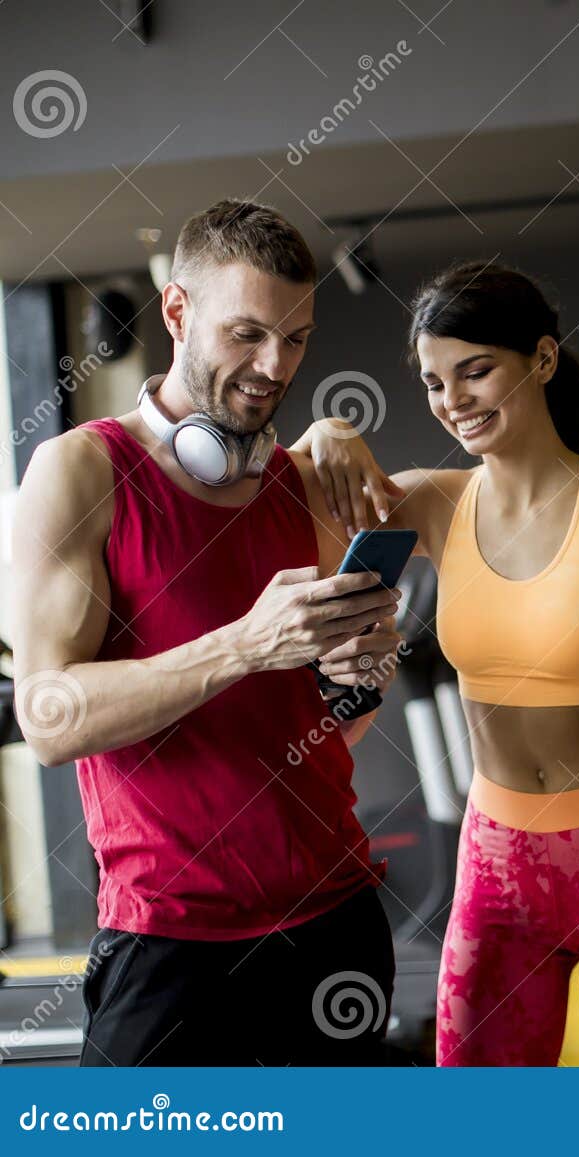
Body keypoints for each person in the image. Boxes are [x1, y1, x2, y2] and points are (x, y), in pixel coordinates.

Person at [295, 261, 579, 1066]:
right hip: (497, 858)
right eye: (433, 381)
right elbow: (279, 503)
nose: (454, 399)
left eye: (476, 370)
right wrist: (327, 434)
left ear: (544, 359)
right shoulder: (431, 502)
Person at [10, 199, 403, 1066]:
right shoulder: (81, 470)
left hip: (334, 923)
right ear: (179, 312)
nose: (274, 366)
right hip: (170, 945)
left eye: (295, 339)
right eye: (248, 333)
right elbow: (46, 717)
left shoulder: (305, 479)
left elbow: (336, 725)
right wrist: (245, 643)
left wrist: (359, 674)